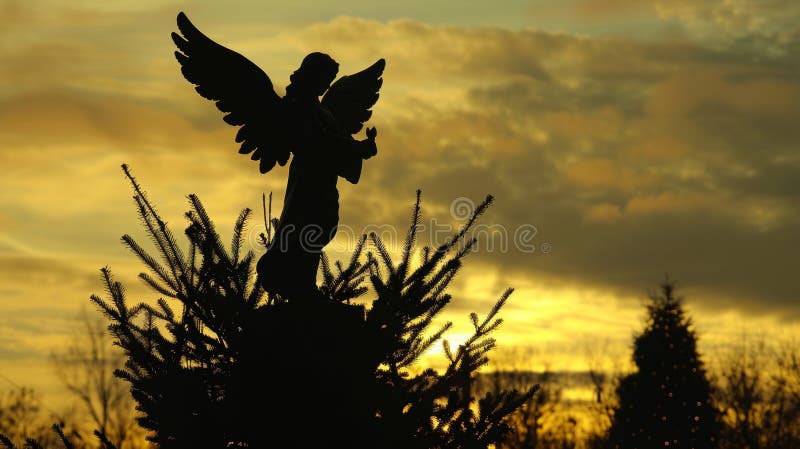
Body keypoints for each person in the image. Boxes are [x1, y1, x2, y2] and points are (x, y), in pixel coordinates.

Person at [257, 52, 378, 302]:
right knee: (305, 228)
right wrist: (358, 148)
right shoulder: (298, 107)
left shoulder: (322, 109)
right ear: (313, 75)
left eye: (331, 79)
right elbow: (319, 140)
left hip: (323, 181)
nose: (327, 85)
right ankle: (296, 282)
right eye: (326, 78)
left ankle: (303, 283)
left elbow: (335, 139)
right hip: (307, 181)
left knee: (321, 227)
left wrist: (360, 147)